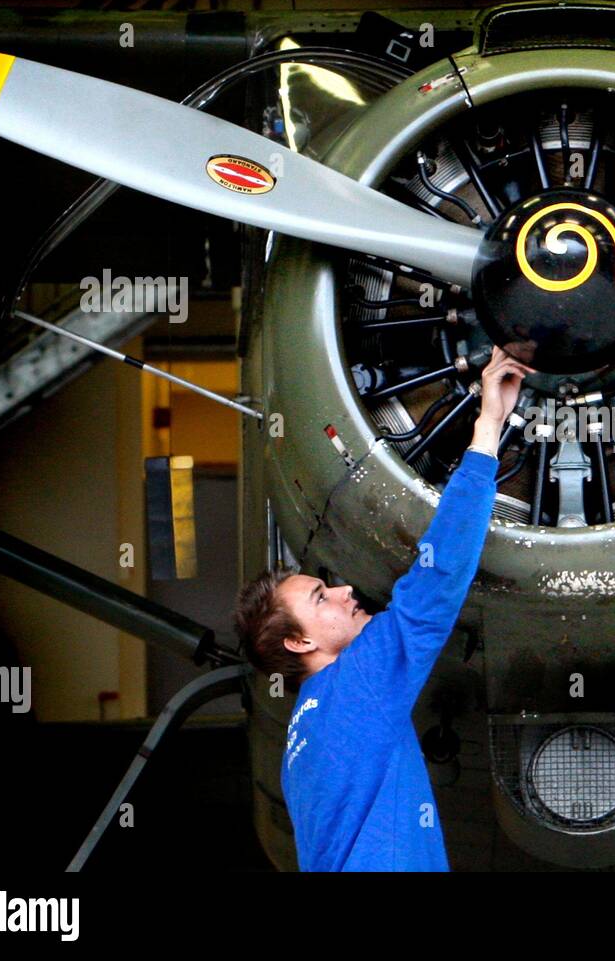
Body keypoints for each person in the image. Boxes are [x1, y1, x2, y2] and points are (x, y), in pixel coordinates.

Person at [235, 346, 534, 870]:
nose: (345, 592)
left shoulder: (298, 743)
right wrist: (489, 424)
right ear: (299, 642)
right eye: (320, 598)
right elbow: (435, 582)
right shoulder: (357, 683)